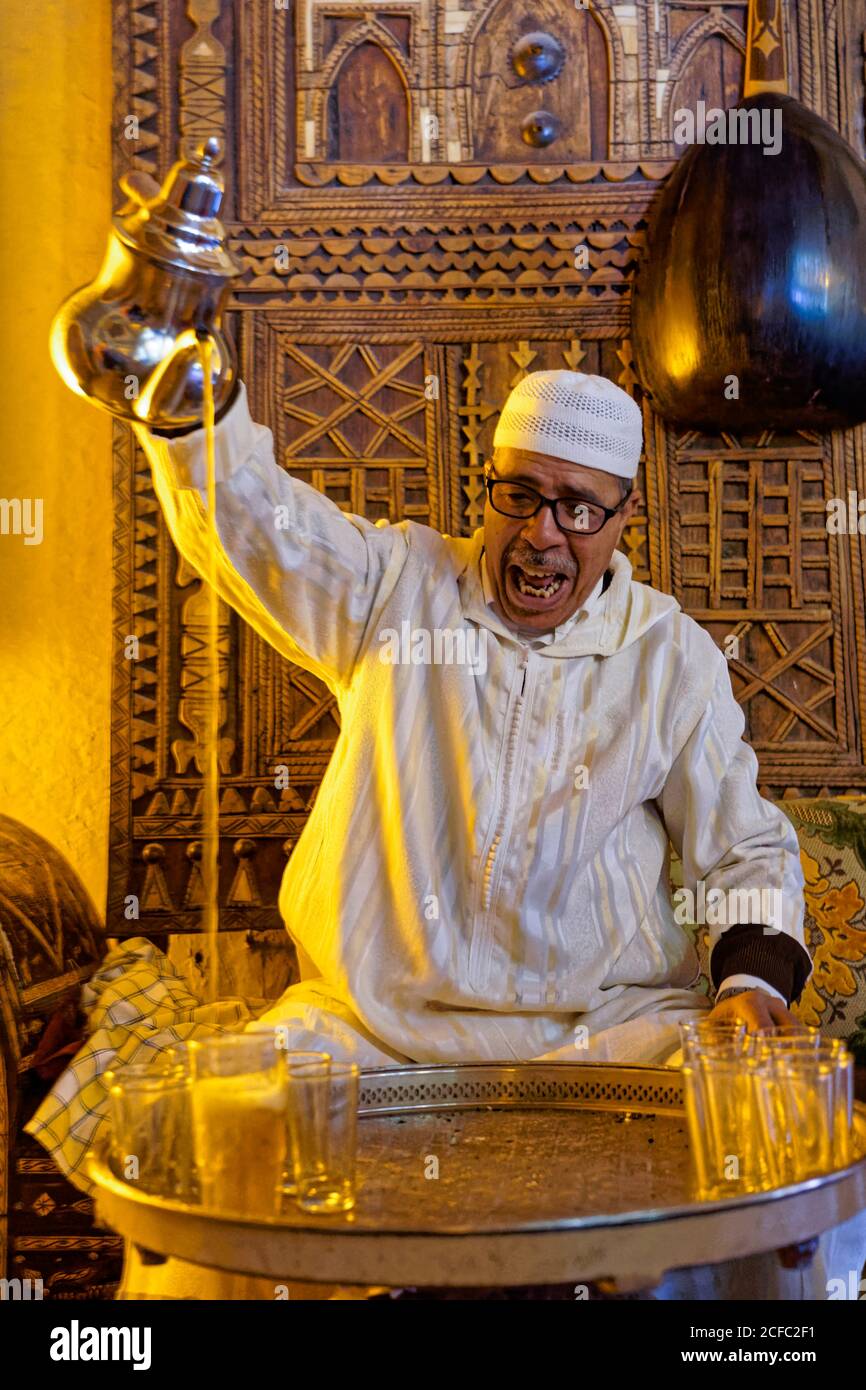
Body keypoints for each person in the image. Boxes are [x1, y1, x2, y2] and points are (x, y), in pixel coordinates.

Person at [137, 370, 812, 1070]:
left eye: (578, 508)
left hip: (611, 1032)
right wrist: (192, 410)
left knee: (755, 1102)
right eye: (518, 495)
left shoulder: (670, 657)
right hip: (372, 1033)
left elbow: (744, 848)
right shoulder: (395, 589)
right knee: (227, 1111)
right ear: (487, 481)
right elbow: (263, 526)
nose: (540, 534)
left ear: (625, 511)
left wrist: (752, 979)